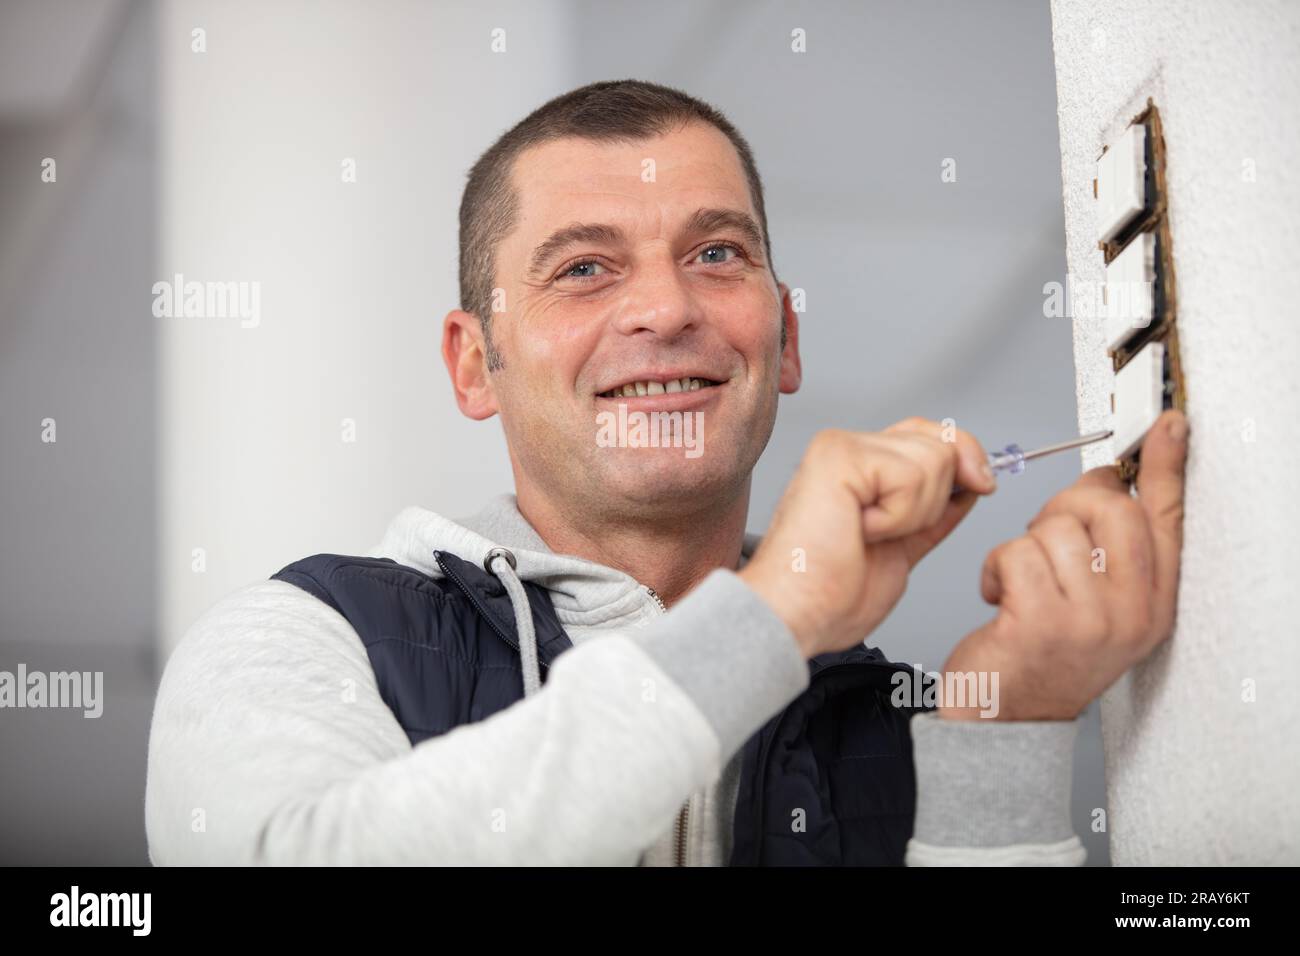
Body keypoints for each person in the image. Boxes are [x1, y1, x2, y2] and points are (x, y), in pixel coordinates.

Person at [144, 79, 1188, 866]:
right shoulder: (305, 638)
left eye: (717, 253)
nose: (667, 310)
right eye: (584, 268)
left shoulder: (905, 721)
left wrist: (1006, 734)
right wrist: (768, 613)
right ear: (475, 364)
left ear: (782, 340)